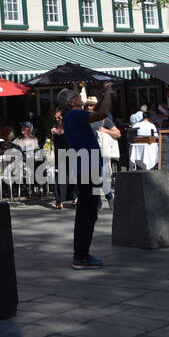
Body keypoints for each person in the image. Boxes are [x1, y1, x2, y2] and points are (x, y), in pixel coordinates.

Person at [59, 82, 114, 269]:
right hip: (87, 167)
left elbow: (96, 110)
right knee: (87, 213)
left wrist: (102, 94)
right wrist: (108, 92)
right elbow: (102, 113)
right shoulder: (75, 114)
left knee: (86, 211)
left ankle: (82, 254)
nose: (79, 97)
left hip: (84, 166)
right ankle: (80, 256)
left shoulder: (72, 115)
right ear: (71, 102)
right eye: (76, 95)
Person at [96, 110, 121, 208]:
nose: (89, 107)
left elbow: (118, 133)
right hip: (88, 150)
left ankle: (105, 199)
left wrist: (105, 130)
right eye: (87, 105)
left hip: (102, 151)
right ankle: (102, 200)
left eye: (92, 105)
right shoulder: (85, 119)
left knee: (99, 177)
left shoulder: (104, 120)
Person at [50, 112, 70, 209]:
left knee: (71, 176)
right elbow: (53, 141)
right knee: (59, 177)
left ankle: (74, 197)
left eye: (59, 117)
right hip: (59, 154)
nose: (57, 119)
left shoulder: (68, 125)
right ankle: (59, 201)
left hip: (70, 153)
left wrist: (58, 132)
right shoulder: (55, 126)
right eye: (56, 118)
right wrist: (53, 134)